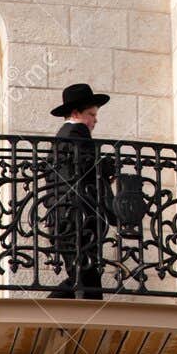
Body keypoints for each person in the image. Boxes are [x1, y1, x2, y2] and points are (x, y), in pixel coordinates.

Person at [47, 82, 114, 300]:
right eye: (91, 114)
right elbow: (85, 169)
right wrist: (106, 167)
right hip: (77, 218)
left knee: (82, 276)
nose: (95, 120)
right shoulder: (77, 133)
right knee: (86, 277)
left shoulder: (64, 135)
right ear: (76, 113)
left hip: (67, 217)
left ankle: (51, 315)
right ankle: (49, 315)